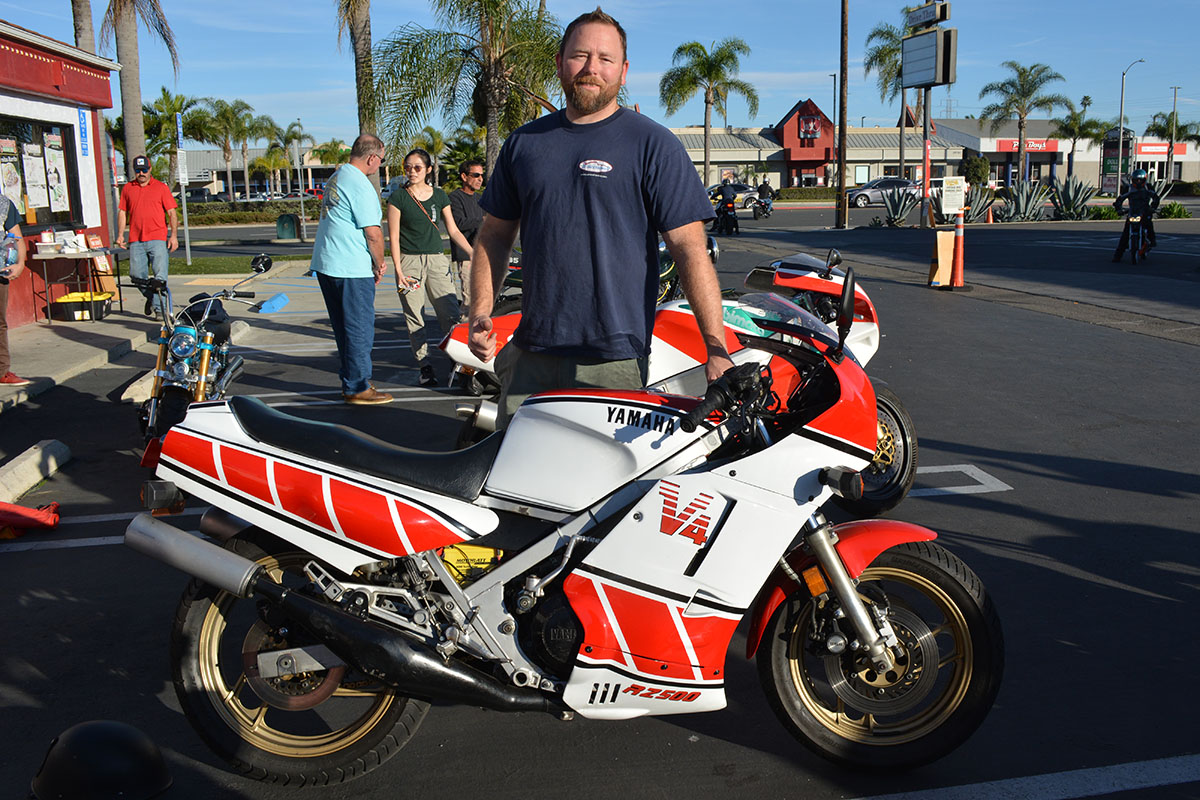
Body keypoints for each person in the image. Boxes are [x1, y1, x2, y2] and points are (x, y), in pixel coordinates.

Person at [468, 6, 733, 423]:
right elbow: (494, 236)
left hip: (614, 361)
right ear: (560, 63)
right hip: (530, 356)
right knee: (514, 462)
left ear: (623, 72)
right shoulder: (524, 144)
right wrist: (480, 312)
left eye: (605, 59)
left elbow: (689, 249)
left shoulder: (654, 145)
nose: (591, 68)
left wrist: (715, 348)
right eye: (580, 55)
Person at [311, 133, 392, 405]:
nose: (379, 165)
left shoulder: (338, 176)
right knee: (359, 329)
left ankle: (351, 381)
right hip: (351, 267)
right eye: (380, 160)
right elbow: (374, 234)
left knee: (344, 329)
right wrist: (379, 263)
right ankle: (358, 386)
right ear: (372, 158)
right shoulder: (360, 185)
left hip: (328, 263)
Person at [387, 148, 472, 387]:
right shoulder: (398, 198)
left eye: (417, 167)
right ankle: (424, 366)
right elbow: (393, 237)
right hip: (409, 263)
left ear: (428, 170)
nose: (411, 172)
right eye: (407, 167)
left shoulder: (439, 196)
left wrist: (473, 253)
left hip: (436, 261)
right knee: (415, 317)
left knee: (450, 313)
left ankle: (459, 362)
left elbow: (453, 230)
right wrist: (398, 270)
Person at [116, 154, 178, 316]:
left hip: (158, 239)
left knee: (160, 278)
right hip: (136, 239)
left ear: (150, 169)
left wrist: (173, 236)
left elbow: (172, 213)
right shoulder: (128, 188)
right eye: (138, 170)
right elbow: (122, 212)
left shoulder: (161, 188)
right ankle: (151, 297)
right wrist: (120, 235)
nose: (141, 173)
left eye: (144, 170)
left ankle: (159, 310)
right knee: (136, 276)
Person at [0, 193, 31, 386]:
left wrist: (20, 263)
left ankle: (2, 371)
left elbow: (17, 236)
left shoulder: (3, 204)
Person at [448, 159, 485, 317]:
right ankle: (464, 326)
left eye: (481, 176)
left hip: (482, 255)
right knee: (470, 299)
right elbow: (458, 224)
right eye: (476, 175)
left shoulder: (480, 198)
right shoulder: (454, 198)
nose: (480, 179)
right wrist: (482, 220)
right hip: (466, 256)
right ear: (464, 176)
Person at [1112, 168, 1160, 262]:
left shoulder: (1148, 187)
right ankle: (1117, 256)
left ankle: (1152, 241)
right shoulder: (1129, 188)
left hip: (1145, 211)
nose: (1138, 182)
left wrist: (1153, 207)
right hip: (1132, 212)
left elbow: (1155, 198)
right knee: (1125, 234)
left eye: (1140, 180)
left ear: (1144, 180)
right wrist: (1119, 208)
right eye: (1136, 180)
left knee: (1149, 225)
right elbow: (1120, 199)